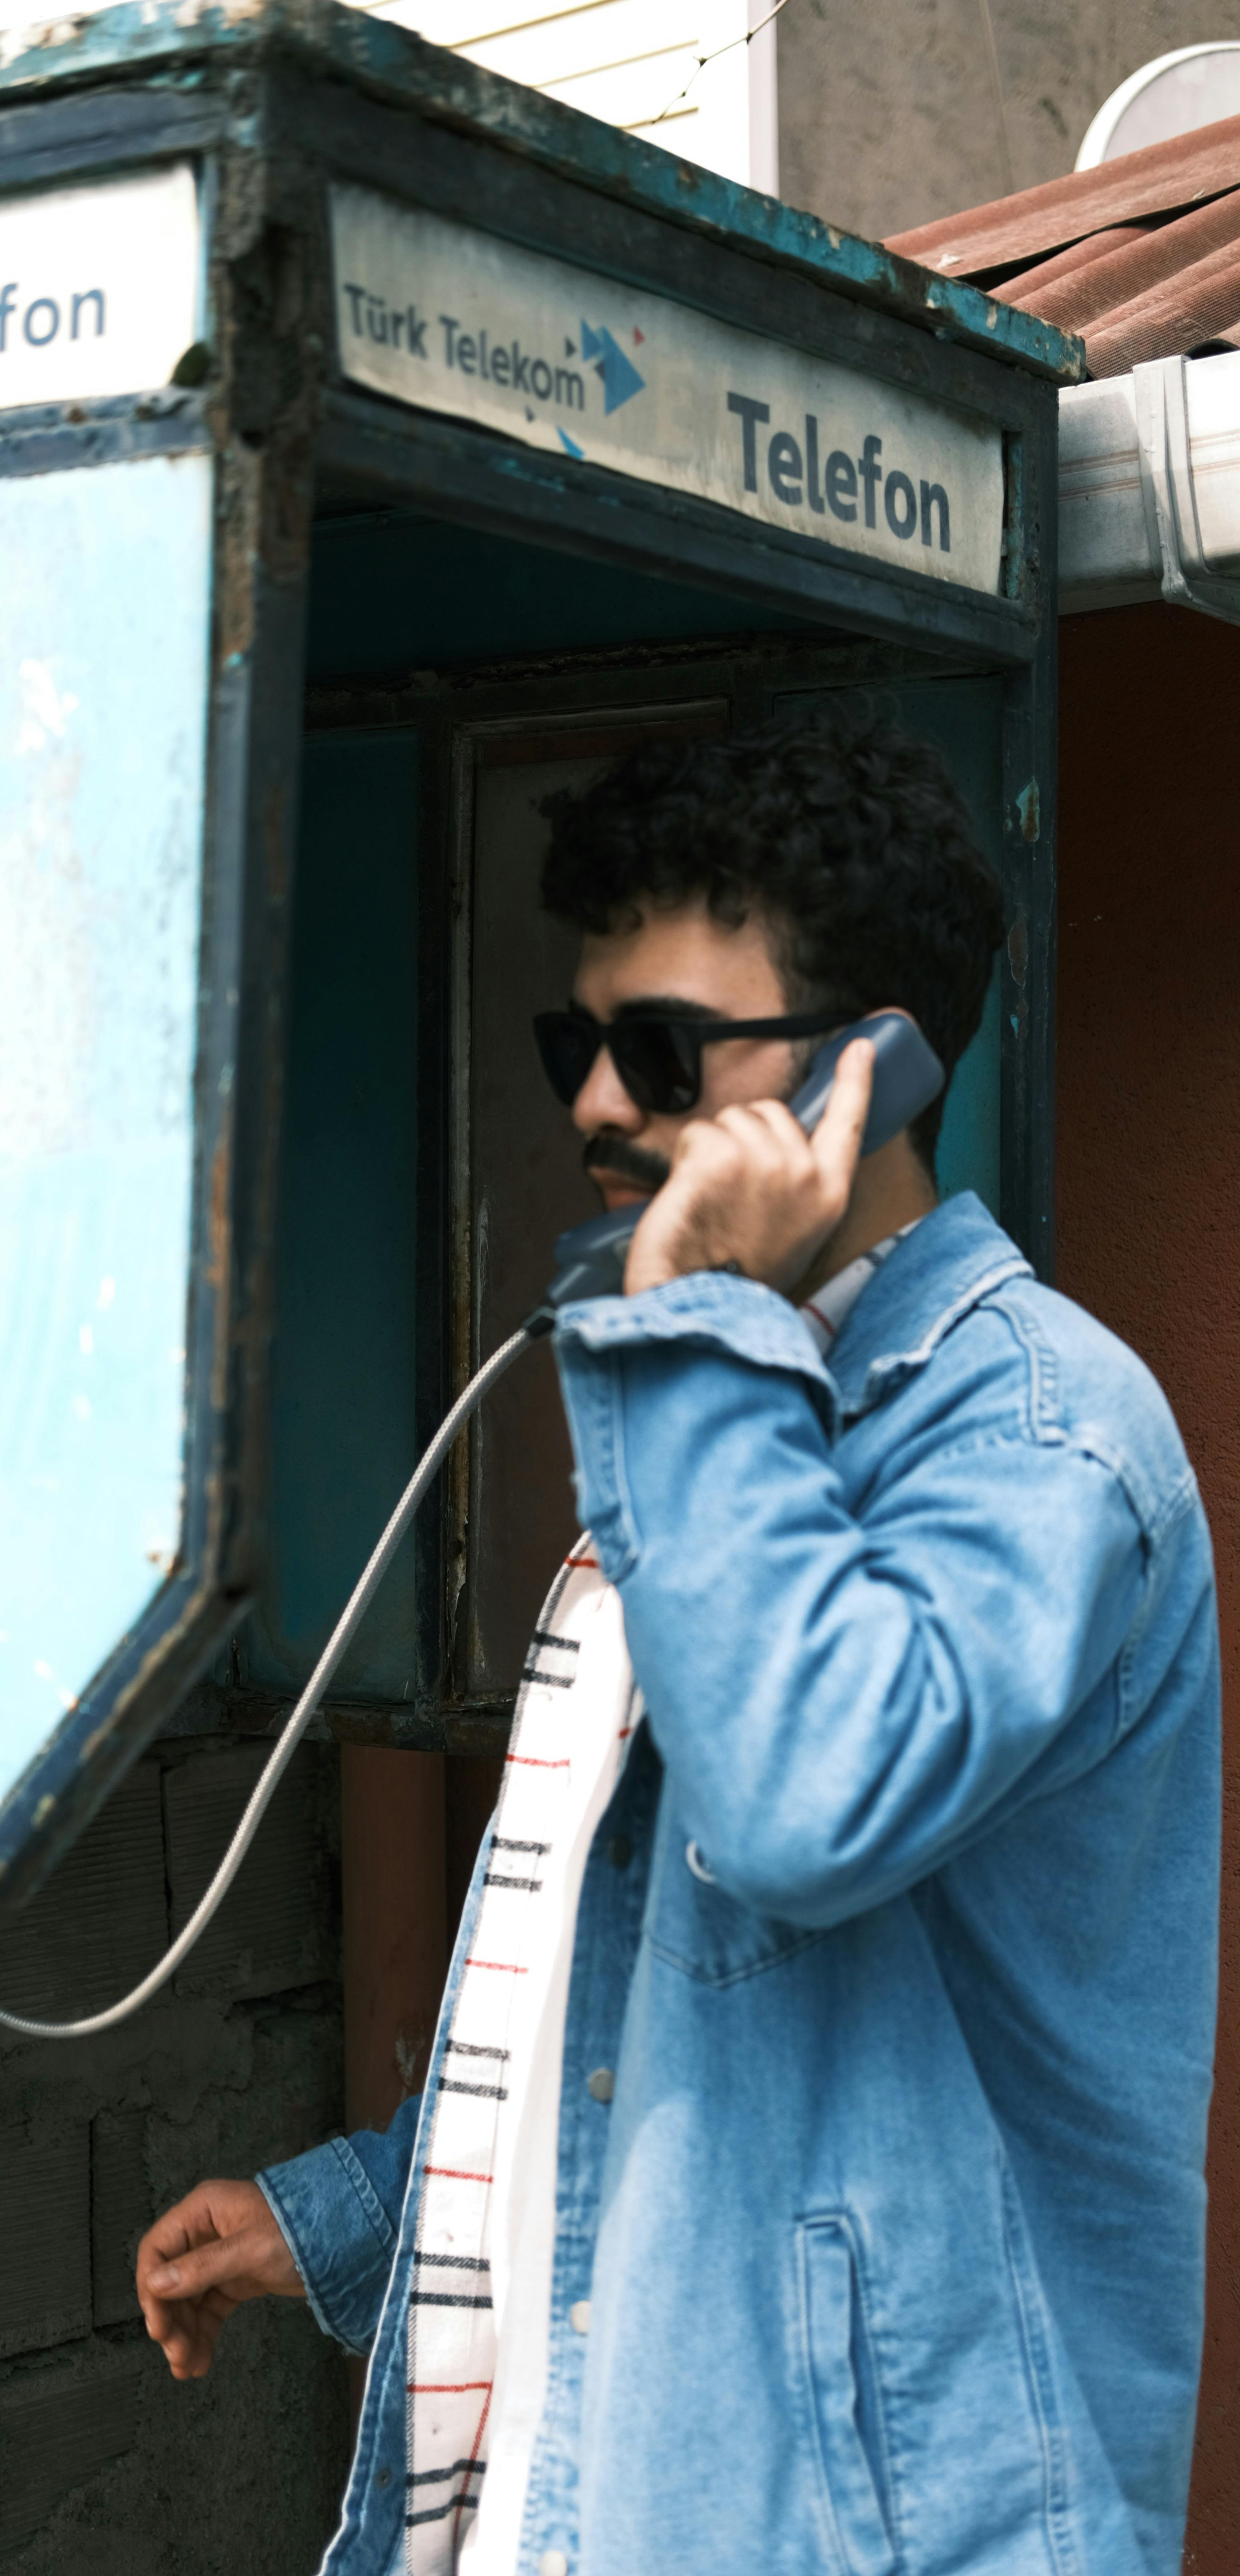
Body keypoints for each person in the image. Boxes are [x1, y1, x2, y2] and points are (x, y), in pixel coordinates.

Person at [136, 706, 1218, 2576]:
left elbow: (805, 1807)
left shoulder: (1033, 1436)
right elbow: (659, 2023)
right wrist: (350, 2214)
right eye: (579, 1044)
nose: (592, 1108)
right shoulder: (720, 1414)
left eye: (657, 1052)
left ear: (860, 1080)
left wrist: (697, 1338)